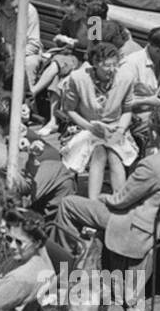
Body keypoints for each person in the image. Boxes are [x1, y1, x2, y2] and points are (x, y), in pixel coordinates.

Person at [54, 104, 160, 284]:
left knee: (68, 204)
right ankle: (85, 262)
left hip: (136, 223)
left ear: (153, 134)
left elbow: (119, 201)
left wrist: (102, 197)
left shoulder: (151, 165)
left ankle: (64, 263)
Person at [59, 42, 137, 201]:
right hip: (85, 126)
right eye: (107, 66)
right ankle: (92, 202)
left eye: (115, 65)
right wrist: (90, 127)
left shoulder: (126, 78)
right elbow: (70, 109)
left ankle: (119, 200)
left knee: (115, 153)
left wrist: (121, 130)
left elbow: (127, 110)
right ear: (95, 63)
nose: (112, 70)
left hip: (115, 127)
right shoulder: (78, 78)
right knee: (99, 152)